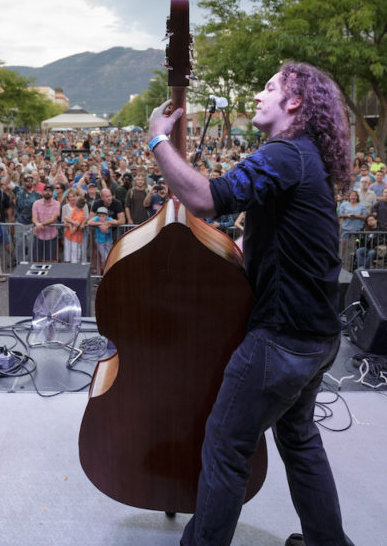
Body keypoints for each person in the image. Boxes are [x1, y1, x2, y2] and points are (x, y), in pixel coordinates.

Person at [148, 61, 352, 546]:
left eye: (270, 87)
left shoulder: (285, 154)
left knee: (225, 444)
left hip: (282, 338)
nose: (258, 95)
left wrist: (158, 139)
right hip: (317, 336)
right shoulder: (305, 156)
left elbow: (204, 197)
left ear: (295, 102)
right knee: (299, 440)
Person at [31, 183, 61, 261]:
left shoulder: (57, 204)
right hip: (38, 235)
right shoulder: (36, 203)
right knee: (37, 259)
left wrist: (41, 224)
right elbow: (34, 217)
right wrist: (37, 223)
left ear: (52, 192)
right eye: (46, 190)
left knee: (50, 260)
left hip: (51, 235)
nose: (48, 192)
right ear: (42, 192)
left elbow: (53, 219)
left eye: (50, 191)